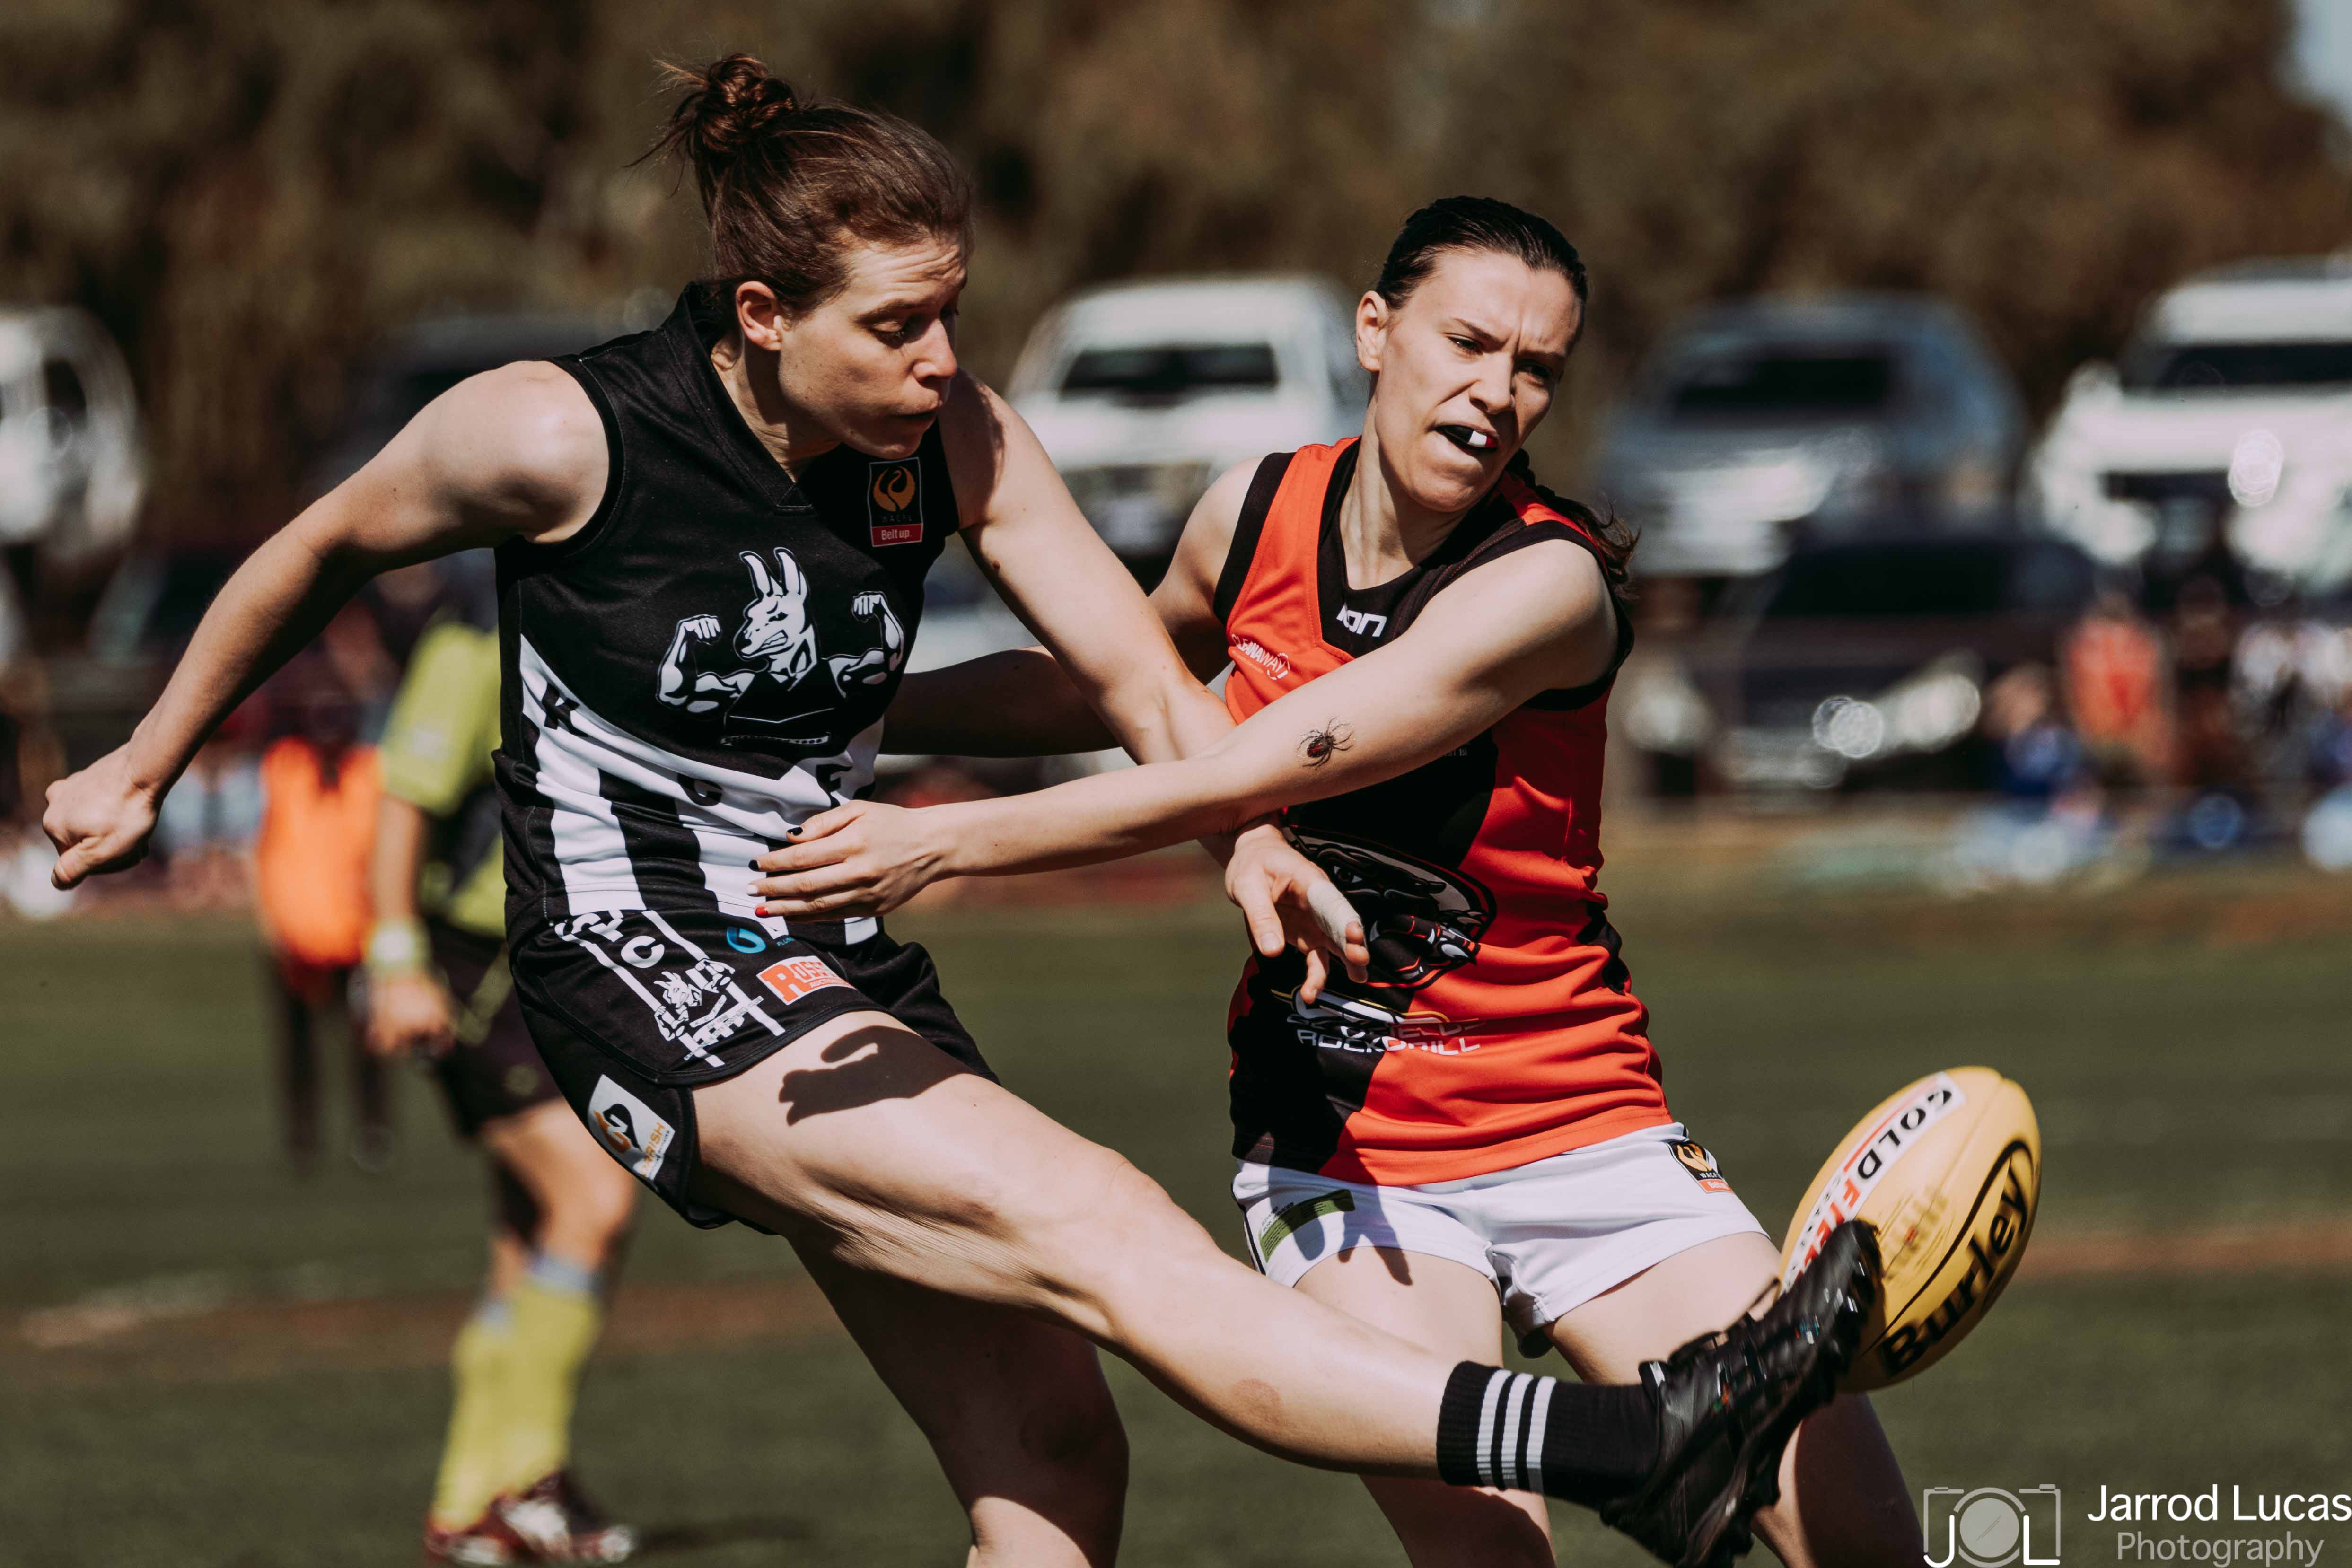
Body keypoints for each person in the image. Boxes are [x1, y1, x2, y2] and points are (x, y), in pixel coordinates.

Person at [43, 59, 1877, 1568]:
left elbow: (1133, 671)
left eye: (955, 316)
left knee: (1054, 1461)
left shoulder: (961, 439)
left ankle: (1647, 1439)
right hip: (637, 947)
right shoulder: (556, 433)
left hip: (834, 947)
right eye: (899, 326)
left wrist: (1239, 837)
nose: (941, 362)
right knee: (1100, 1221)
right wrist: (146, 758)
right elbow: (314, 543)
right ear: (763, 317)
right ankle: (1631, 1443)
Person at [779, 196, 1927, 1568]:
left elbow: (1247, 767)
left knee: (1858, 1541)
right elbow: (1120, 683)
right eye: (1468, 343)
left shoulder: (1548, 584)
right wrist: (848, 697)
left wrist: (947, 840)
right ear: (1375, 332)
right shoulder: (1253, 513)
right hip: (1344, 1149)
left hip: (1583, 1124)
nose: (1496, 393)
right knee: (1490, 1560)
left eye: (1537, 368)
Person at [365, 560, 640, 1561]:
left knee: (527, 1242)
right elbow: (400, 804)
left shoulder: (596, 619)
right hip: (472, 968)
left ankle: (466, 1506)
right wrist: (395, 962)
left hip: (558, 965)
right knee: (595, 1201)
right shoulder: (475, 639)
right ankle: (527, 1481)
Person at [251, 646, 393, 1174]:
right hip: (296, 936)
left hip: (357, 937)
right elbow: (262, 849)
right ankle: (303, 1136)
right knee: (299, 1048)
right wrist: (269, 921)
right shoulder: (284, 768)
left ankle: (373, 1132)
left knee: (366, 1046)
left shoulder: (371, 773)